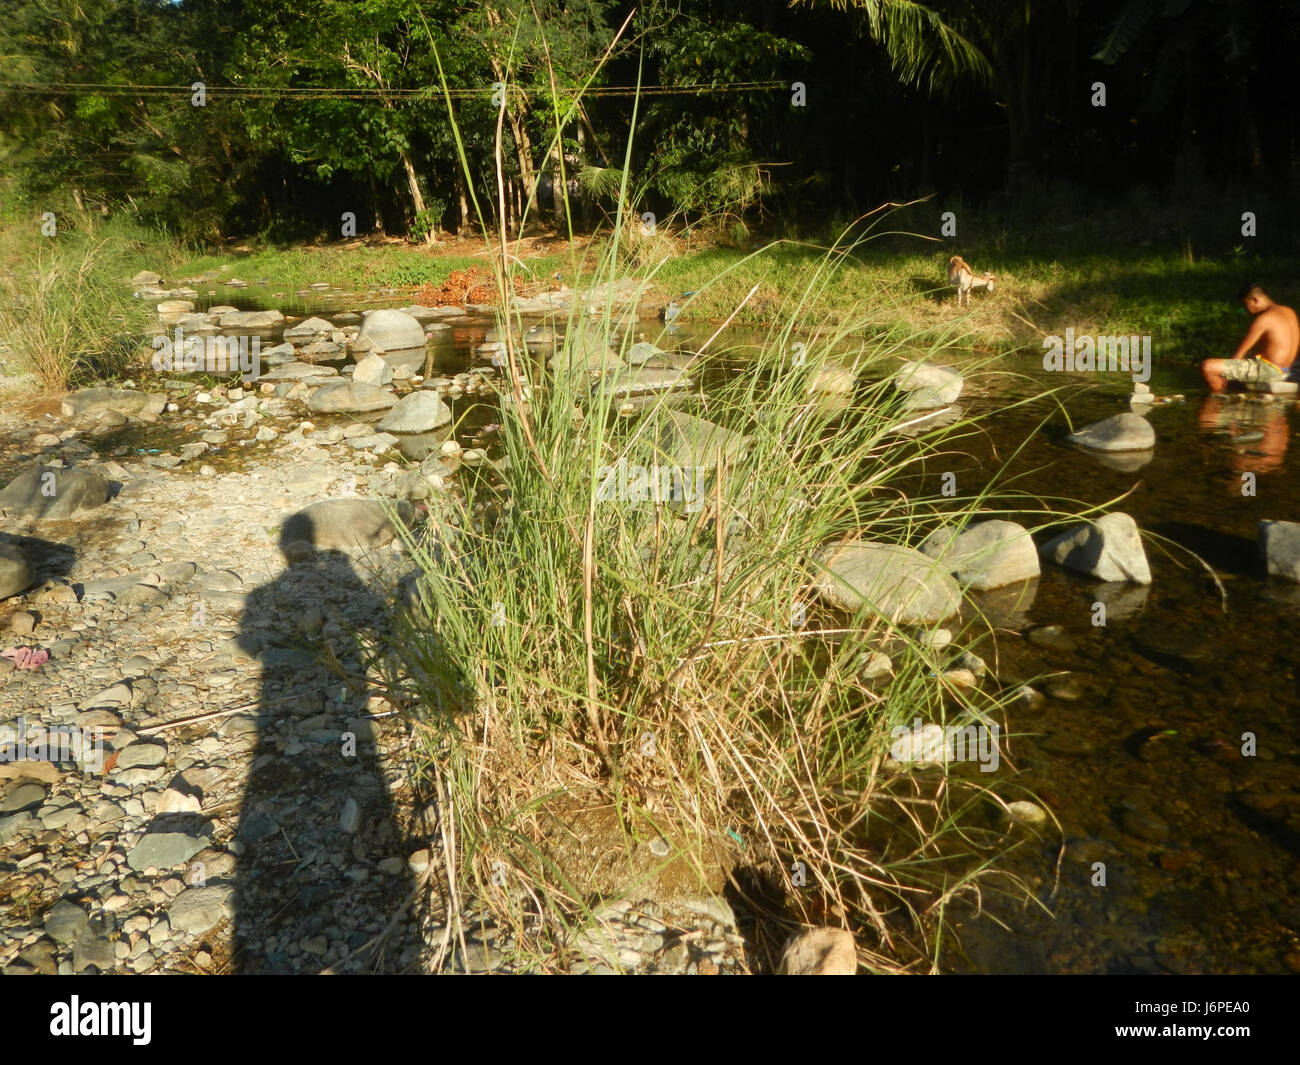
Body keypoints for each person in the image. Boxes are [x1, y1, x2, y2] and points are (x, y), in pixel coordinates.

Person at [1201, 283, 1300, 393]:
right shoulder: (1289, 311)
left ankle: (1219, 398)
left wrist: (1225, 375)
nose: (1246, 310)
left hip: (1271, 371)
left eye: (1245, 305)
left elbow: (1239, 355)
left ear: (1255, 300)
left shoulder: (1264, 319)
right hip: (1288, 370)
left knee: (1208, 367)